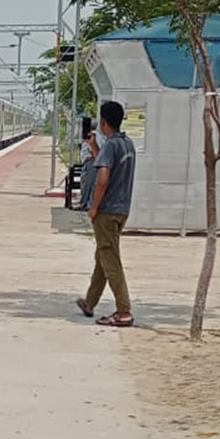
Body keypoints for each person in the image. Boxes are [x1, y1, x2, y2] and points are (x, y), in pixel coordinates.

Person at [76, 101, 136, 326]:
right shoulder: (127, 144)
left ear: (103, 122)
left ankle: (124, 311)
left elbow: (102, 179)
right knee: (103, 256)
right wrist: (93, 147)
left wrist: (93, 207)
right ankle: (90, 302)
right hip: (122, 210)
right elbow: (107, 161)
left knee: (110, 259)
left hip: (106, 211)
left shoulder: (111, 145)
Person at [79, 127, 97, 211]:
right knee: (85, 183)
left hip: (91, 163)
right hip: (86, 163)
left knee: (88, 184)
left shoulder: (93, 141)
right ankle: (84, 203)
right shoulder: (85, 142)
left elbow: (95, 153)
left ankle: (86, 203)